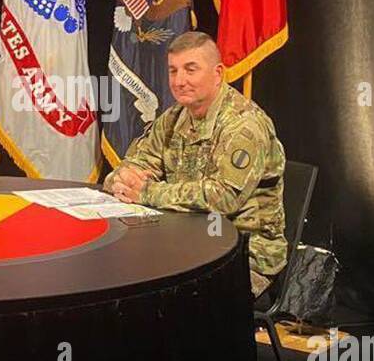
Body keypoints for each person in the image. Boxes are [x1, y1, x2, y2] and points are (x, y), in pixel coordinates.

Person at [102, 31, 286, 302]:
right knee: (119, 273)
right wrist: (121, 179)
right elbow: (137, 163)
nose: (179, 81)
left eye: (191, 70)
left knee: (159, 298)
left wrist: (147, 192)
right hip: (186, 243)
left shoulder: (244, 124)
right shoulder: (175, 117)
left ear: (218, 73)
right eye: (173, 71)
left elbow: (224, 198)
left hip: (243, 255)